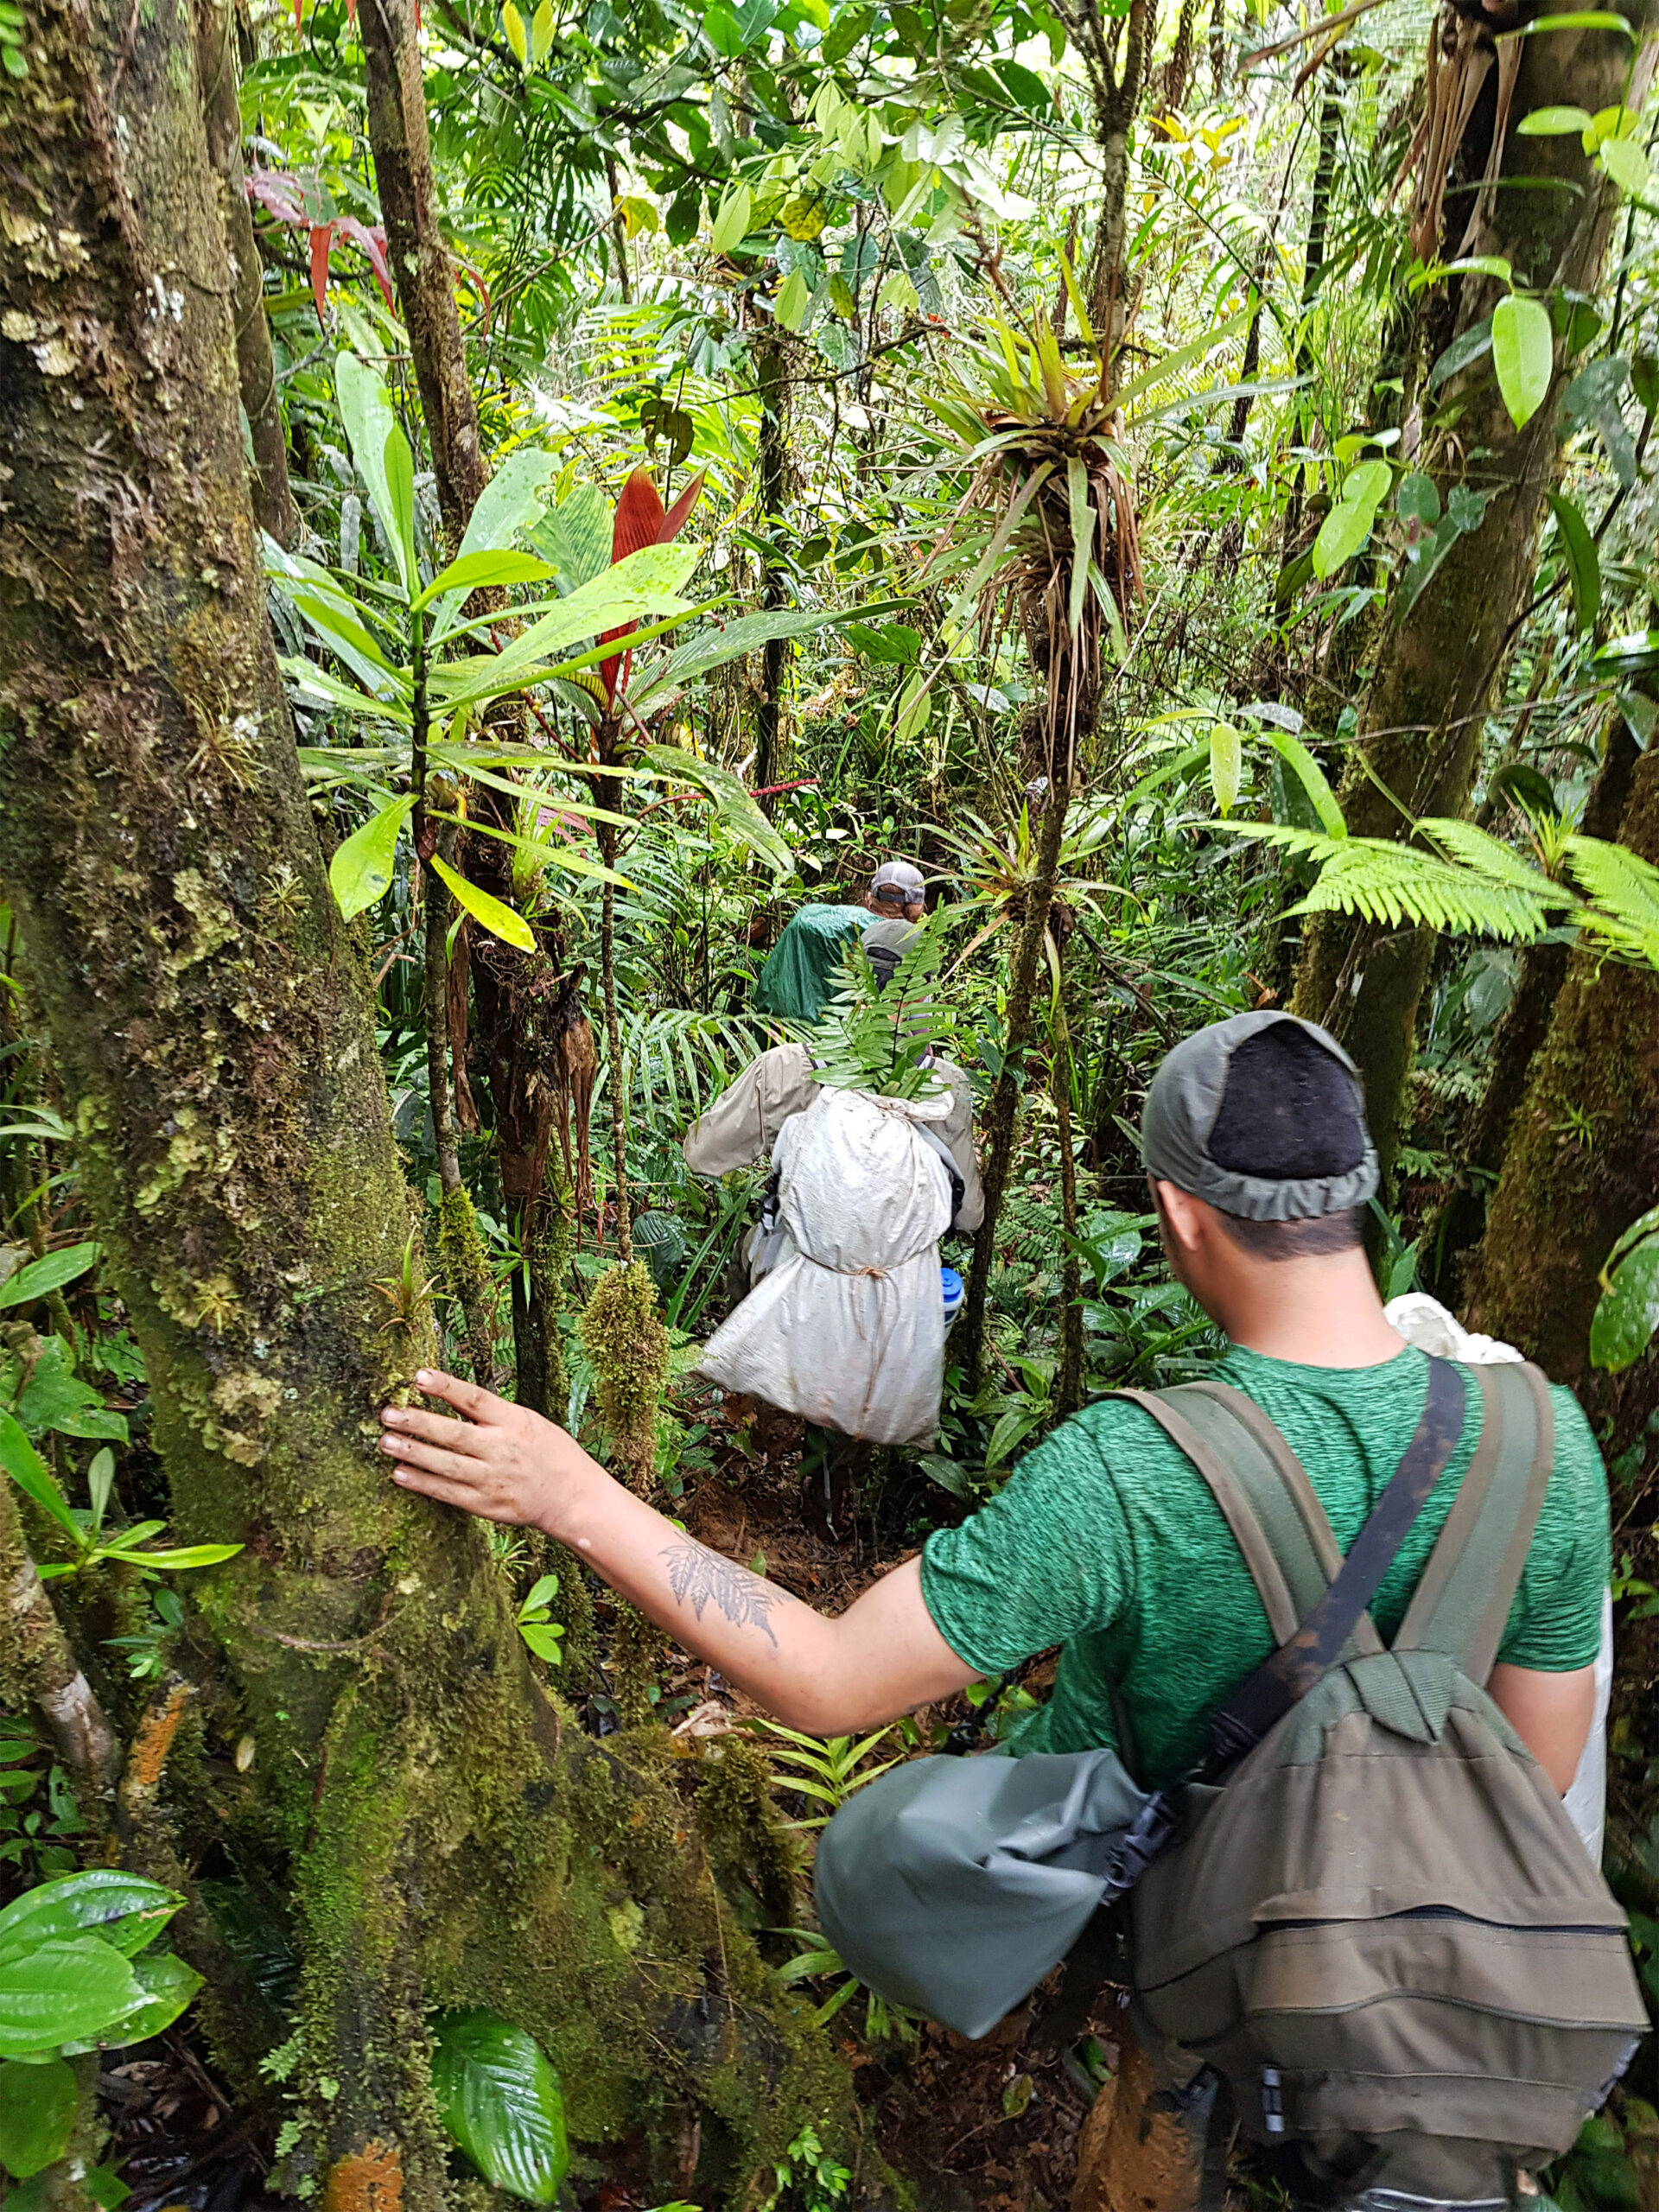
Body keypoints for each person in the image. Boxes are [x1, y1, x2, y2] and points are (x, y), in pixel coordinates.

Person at [378, 1012, 1606, 2196]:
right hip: (1423, 1968)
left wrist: (572, 1492)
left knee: (1116, 2057)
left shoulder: (1135, 1471)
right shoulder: (1539, 1441)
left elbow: (829, 1677)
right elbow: (1538, 1765)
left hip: (1199, 1941)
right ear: (1358, 1195)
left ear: (1181, 1212)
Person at [751, 859, 928, 1023]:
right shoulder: (909, 945)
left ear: (869, 898)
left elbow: (772, 984)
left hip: (780, 1032)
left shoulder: (808, 918)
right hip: (851, 1040)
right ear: (915, 909)